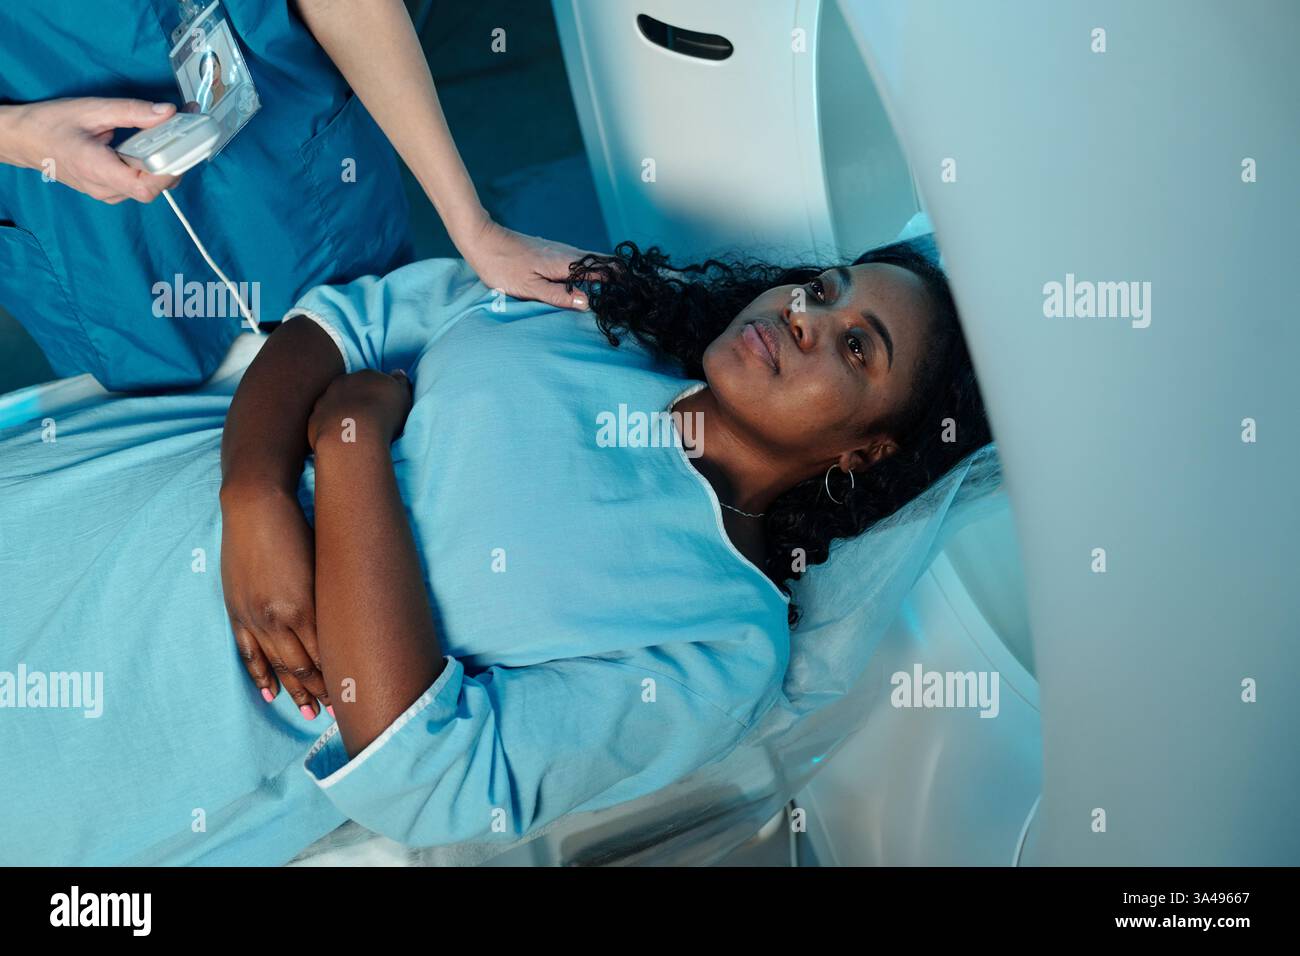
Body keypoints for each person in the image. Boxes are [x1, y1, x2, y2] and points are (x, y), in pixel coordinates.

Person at [0, 236, 990, 864]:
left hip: (139, 735)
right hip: (95, 509)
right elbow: (347, 319)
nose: (805, 317)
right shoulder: (599, 322)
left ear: (869, 450)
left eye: (857, 346)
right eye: (822, 287)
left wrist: (349, 444)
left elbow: (426, 775)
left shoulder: (724, 645)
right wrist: (256, 485)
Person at [0, 0, 592, 390]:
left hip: (292, 150)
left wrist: (476, 228)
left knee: (372, 357)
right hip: (83, 217)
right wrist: (20, 138)